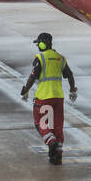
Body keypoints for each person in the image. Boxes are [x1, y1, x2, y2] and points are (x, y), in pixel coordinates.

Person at [20, 32, 77, 164]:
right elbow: (69, 75)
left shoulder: (40, 58)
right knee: (57, 126)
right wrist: (72, 90)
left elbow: (33, 76)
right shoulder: (60, 58)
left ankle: (51, 142)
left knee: (41, 123)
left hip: (44, 98)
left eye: (38, 43)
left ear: (42, 44)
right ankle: (57, 156)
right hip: (58, 98)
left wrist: (25, 90)